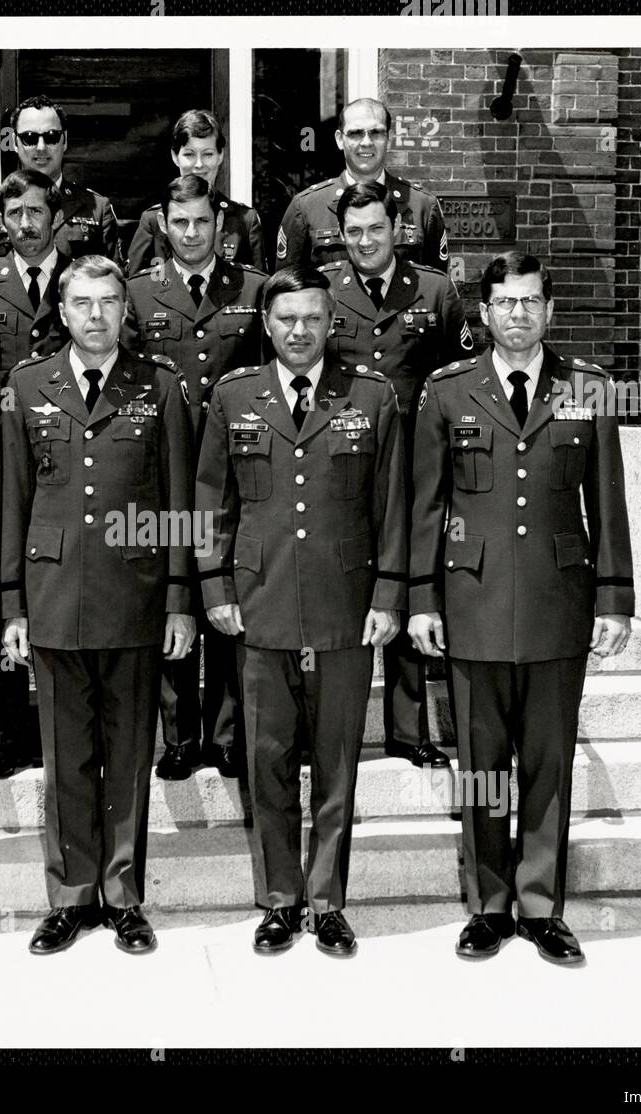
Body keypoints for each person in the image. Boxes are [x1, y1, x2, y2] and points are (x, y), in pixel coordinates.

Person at [408, 250, 634, 965]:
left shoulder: (587, 389)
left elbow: (608, 502)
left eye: (531, 301)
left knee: (547, 763)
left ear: (550, 310)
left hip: (555, 605)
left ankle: (541, 906)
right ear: (483, 312)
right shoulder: (447, 392)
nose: (518, 314)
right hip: (471, 602)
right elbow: (426, 506)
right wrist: (420, 598)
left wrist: (615, 598)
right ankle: (488, 905)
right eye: (505, 302)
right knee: (480, 763)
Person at [195, 266, 406, 958]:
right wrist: (215, 588)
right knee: (268, 759)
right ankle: (281, 899)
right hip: (258, 609)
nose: (298, 330)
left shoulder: (371, 397)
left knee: (338, 763)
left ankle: (329, 900)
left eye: (312, 318)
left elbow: (392, 509)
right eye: (286, 318)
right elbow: (212, 504)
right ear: (266, 322)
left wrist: (389, 596)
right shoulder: (234, 396)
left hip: (346, 608)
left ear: (331, 322)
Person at [1, 255, 195, 956]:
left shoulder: (160, 386)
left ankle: (122, 893)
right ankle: (69, 895)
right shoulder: (27, 386)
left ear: (125, 309)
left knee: (128, 754)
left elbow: (178, 504)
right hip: (53, 599)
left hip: (135, 602)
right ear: (61, 309)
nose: (95, 314)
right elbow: (13, 502)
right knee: (67, 758)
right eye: (81, 302)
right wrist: (12, 607)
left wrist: (179, 601)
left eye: (108, 301)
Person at [322, 180, 473, 771]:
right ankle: (334, 725)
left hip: (415, 462)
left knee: (412, 583)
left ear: (398, 231)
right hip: (345, 462)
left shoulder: (435, 291)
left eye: (375, 229)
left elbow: (458, 375)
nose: (364, 241)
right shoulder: (324, 291)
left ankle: (408, 730)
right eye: (353, 232)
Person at [123, 174, 267, 781]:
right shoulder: (136, 293)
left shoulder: (254, 290)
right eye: (179, 223)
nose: (190, 233)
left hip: (238, 472)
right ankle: (179, 736)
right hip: (164, 472)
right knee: (173, 589)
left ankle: (228, 733)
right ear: (163, 225)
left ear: (220, 225)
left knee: (229, 593)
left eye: (202, 222)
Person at [0, 168, 72, 781]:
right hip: (1, 459)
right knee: (5, 586)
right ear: (1, 221)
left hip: (67, 456)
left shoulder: (84, 276)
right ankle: (7, 734)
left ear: (54, 214)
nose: (26, 224)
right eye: (15, 214)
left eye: (36, 212)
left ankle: (62, 724)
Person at [277, 97, 448, 274]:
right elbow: (285, 288)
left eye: (376, 133)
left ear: (389, 139)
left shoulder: (422, 206)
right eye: (355, 133)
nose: (366, 142)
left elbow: (437, 285)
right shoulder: (306, 207)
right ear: (339, 140)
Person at [0, 94, 119, 267]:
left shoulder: (96, 208)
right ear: (15, 142)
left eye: (51, 136)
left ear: (64, 140)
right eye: (29, 138)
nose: (41, 147)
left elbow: (112, 283)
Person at [126, 109, 266, 275]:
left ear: (220, 156)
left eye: (208, 154)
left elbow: (259, 289)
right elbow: (134, 290)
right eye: (189, 154)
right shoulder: (153, 221)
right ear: (175, 156)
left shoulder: (244, 221)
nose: (199, 164)